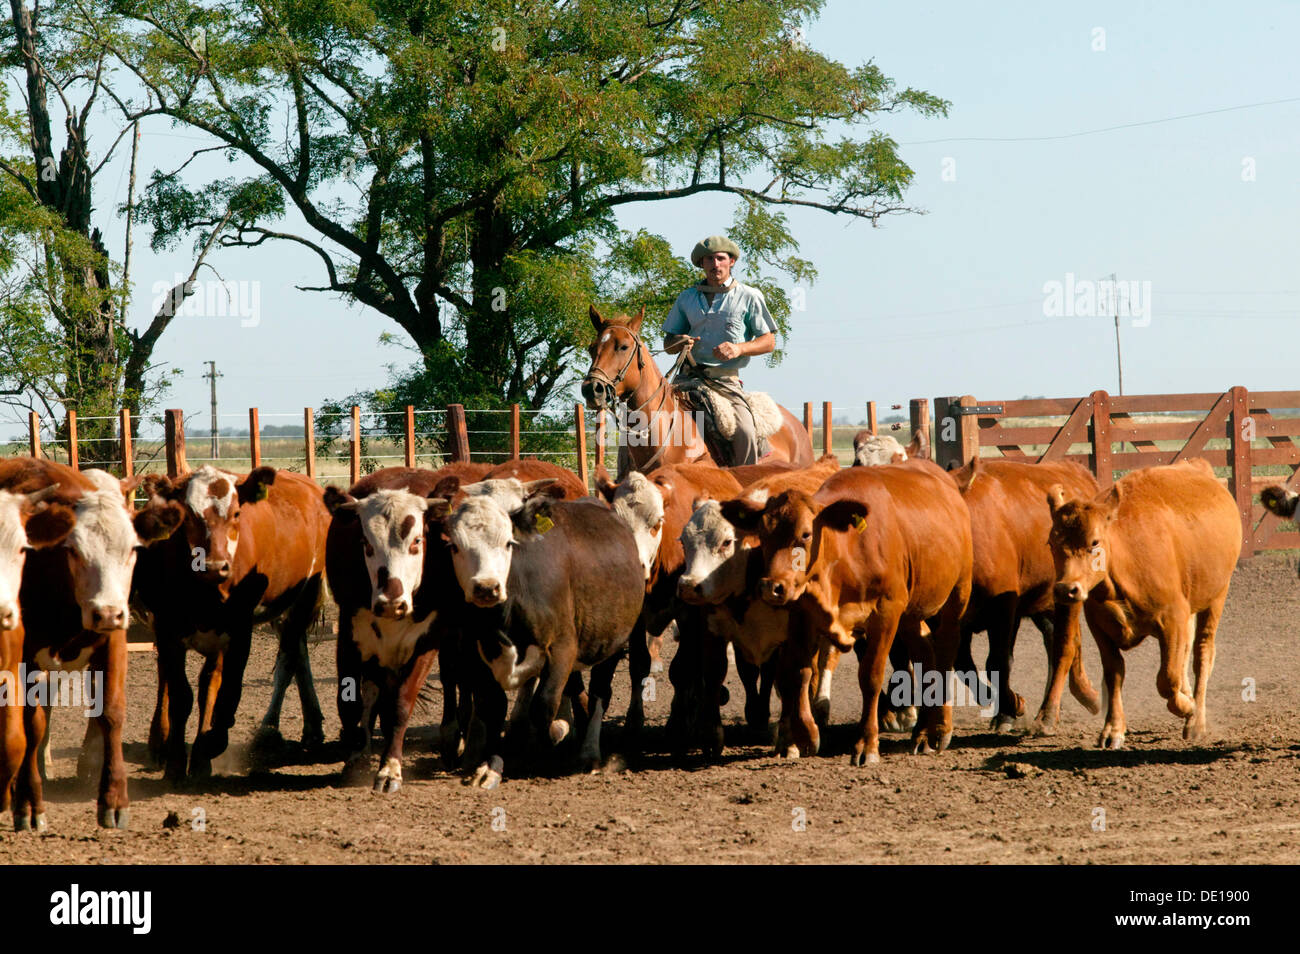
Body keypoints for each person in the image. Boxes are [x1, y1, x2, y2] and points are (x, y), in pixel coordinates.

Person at [662, 235, 777, 465]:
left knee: (744, 430)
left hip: (724, 383)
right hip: (686, 378)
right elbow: (668, 344)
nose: (715, 264)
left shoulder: (749, 296)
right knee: (643, 423)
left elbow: (769, 341)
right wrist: (680, 341)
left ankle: (744, 484)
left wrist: (739, 348)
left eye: (720, 258)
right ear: (701, 264)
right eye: (709, 260)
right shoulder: (687, 297)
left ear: (731, 261)